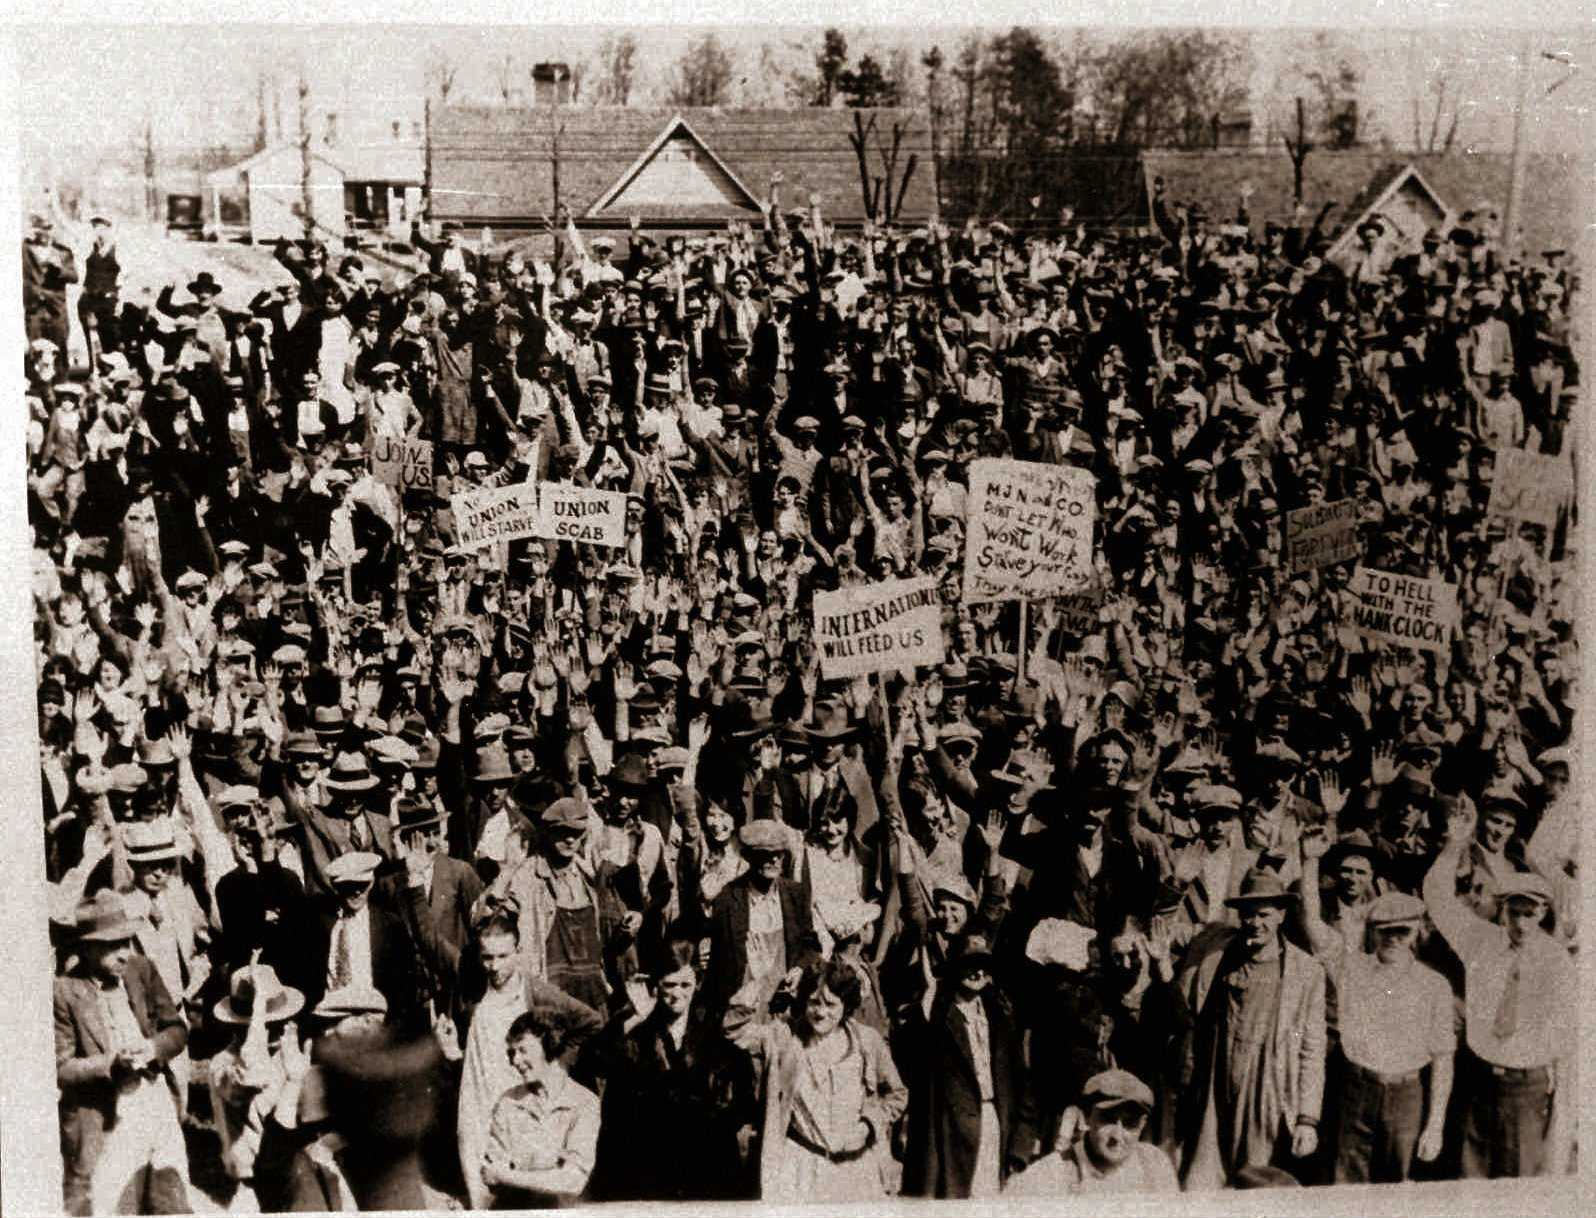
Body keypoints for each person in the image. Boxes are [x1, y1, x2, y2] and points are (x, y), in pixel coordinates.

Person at [1423, 801, 1573, 1178]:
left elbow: (1566, 1036)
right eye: (1514, 912)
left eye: (1530, 913)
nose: (1521, 922)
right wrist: (1454, 845)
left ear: (1543, 913)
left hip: (1527, 1086)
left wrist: (1562, 1111)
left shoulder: (1555, 959)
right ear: (1502, 909)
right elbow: (1437, 897)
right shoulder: (1480, 940)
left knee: (1520, 1185)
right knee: (1469, 1183)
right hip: (1477, 1079)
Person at [1174, 866, 1327, 1189]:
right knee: (1202, 1182)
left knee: (1257, 1182)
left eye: (1264, 915)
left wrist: (1307, 1118)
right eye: (1247, 915)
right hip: (1215, 1084)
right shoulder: (1217, 955)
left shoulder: (1306, 971)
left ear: (1282, 915)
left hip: (1269, 1088)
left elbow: (1312, 1049)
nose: (1255, 923)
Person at [724, 958, 908, 1203]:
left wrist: (868, 1124)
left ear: (846, 1005)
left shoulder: (867, 1041)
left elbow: (897, 1095)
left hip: (857, 1170)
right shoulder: (784, 1037)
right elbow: (734, 1030)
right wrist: (758, 981)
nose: (821, 1012)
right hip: (801, 1168)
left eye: (830, 1004)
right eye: (814, 1002)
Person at [54, 890, 192, 1215]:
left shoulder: (141, 969)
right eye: (112, 945)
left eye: (127, 942)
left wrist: (154, 1047)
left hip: (154, 1099)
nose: (124, 954)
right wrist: (112, 1064)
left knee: (170, 1197)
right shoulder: (65, 991)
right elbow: (61, 1068)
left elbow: (177, 1029)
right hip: (106, 1112)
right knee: (116, 1201)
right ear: (86, 948)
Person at [1319, 886, 1455, 1183]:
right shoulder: (1353, 969)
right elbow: (1314, 930)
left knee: (1397, 1185)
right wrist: (1310, 864)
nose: (1393, 939)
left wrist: (1435, 1125)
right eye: (1385, 931)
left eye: (1402, 932)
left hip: (1405, 1094)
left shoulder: (1434, 985)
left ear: (1417, 931)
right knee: (1347, 1185)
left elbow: (1443, 1060)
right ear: (1372, 932)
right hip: (1357, 1090)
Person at [902, 934, 1028, 1199]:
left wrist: (1019, 1147)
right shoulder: (937, 1014)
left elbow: (1021, 1083)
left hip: (993, 1125)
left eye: (984, 965)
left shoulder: (999, 1015)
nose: (978, 972)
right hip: (950, 1134)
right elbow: (914, 1059)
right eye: (971, 964)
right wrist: (926, 1004)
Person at [480, 1008, 602, 1209]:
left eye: (523, 1050)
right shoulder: (508, 1102)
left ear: (550, 1046)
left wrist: (506, 1176)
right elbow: (490, 1175)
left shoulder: (584, 1103)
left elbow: (573, 1181)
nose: (515, 1061)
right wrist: (502, 1175)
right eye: (512, 1053)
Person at [1005, 1069, 1179, 1196]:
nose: (1117, 1135)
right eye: (1108, 1119)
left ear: (1142, 1125)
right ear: (1087, 1117)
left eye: (1130, 1123)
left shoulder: (1155, 1166)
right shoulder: (1049, 1176)